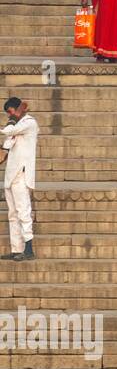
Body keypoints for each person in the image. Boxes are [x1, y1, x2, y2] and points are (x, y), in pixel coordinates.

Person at [2, 97, 38, 262]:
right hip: (10, 176)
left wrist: (13, 119)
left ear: (19, 108)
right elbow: (4, 150)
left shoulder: (30, 123)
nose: (9, 114)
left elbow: (8, 131)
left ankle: (29, 249)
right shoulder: (15, 129)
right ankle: (17, 249)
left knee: (23, 211)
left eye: (11, 111)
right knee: (13, 214)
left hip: (22, 175)